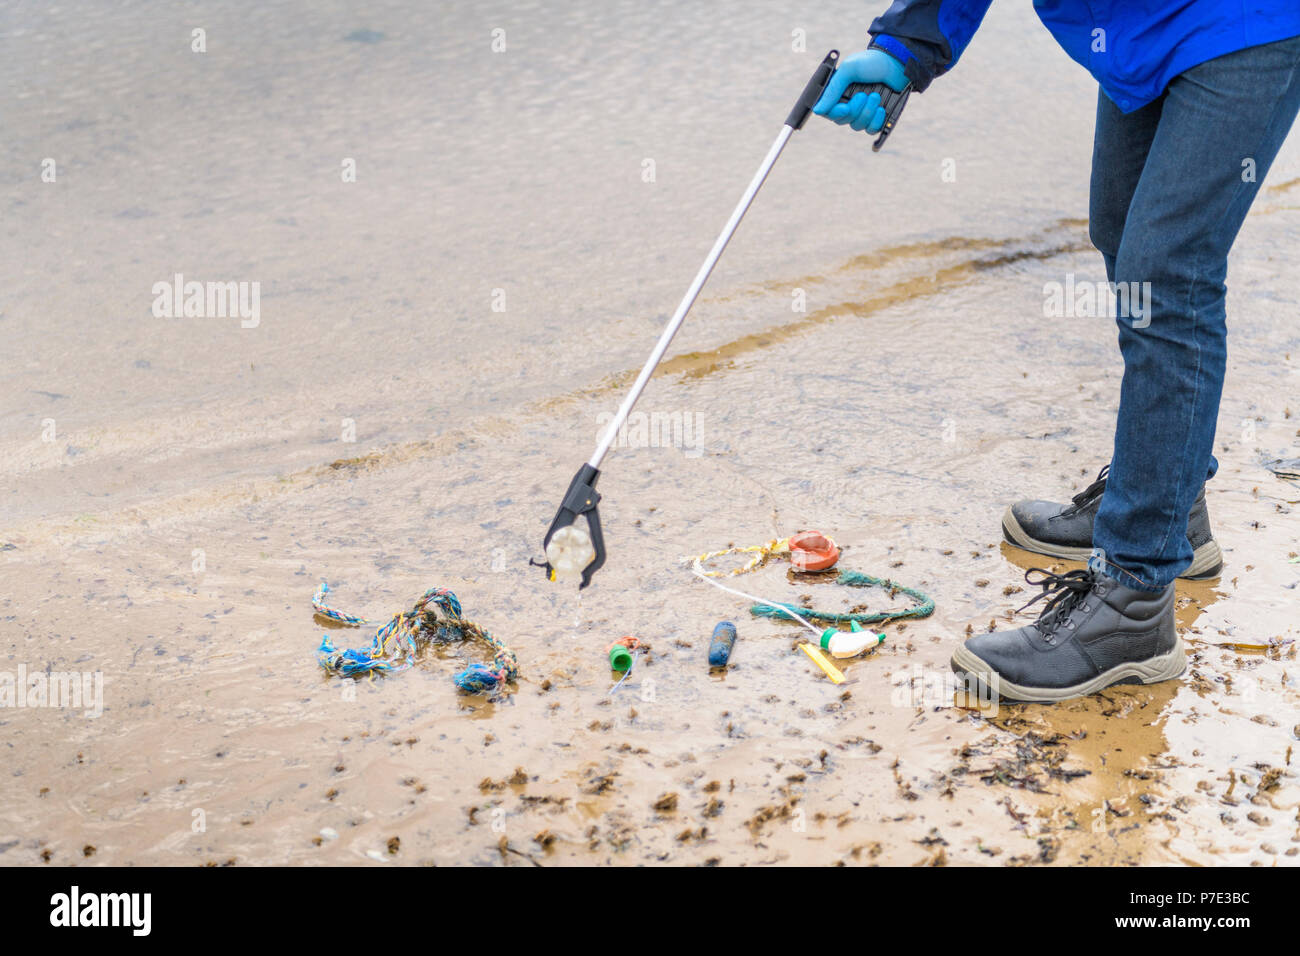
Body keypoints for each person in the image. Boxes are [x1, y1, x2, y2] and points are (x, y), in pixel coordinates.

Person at [813, 2, 1300, 702]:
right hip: (1137, 32)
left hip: (1244, 21)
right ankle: (1171, 506)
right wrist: (904, 48)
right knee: (1123, 236)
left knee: (1168, 276)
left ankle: (1134, 602)